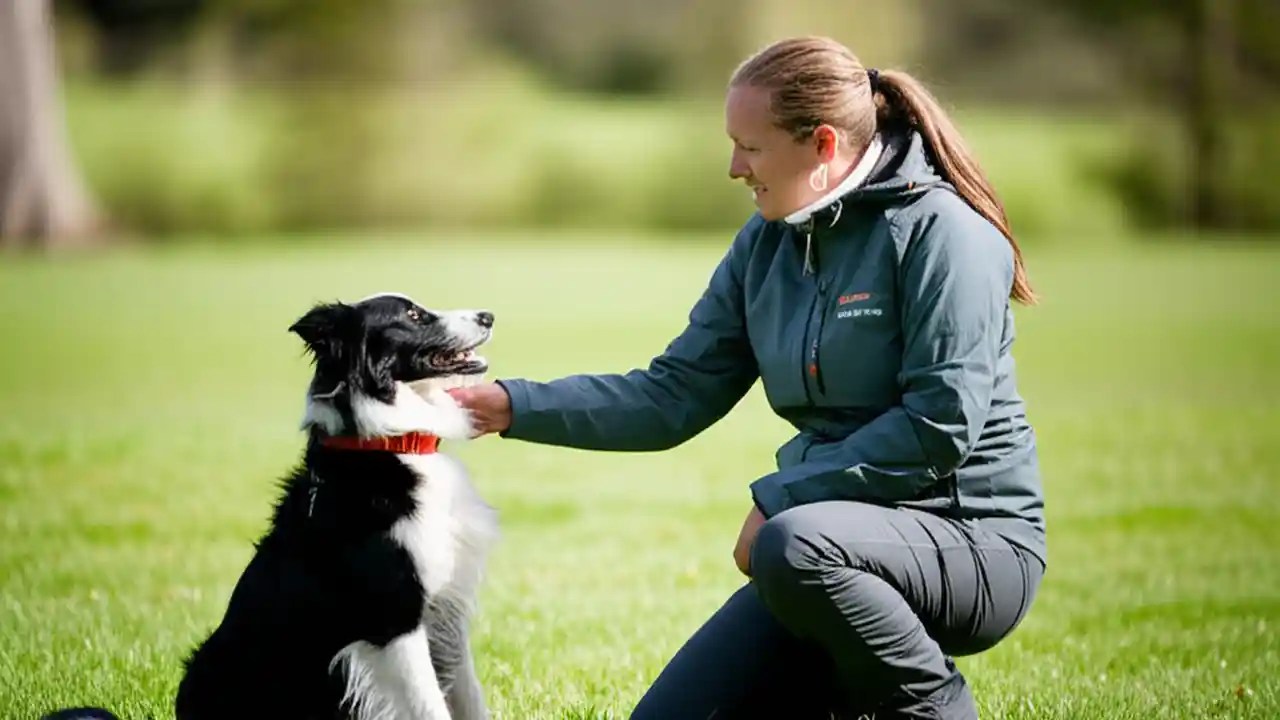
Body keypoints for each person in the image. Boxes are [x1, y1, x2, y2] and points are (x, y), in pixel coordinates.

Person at [450, 35, 1046, 720]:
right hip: (826, 550)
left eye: (751, 147)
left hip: (971, 544)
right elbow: (669, 397)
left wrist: (783, 497)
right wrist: (506, 405)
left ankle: (929, 705)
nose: (735, 167)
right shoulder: (765, 242)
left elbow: (939, 424)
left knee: (791, 545)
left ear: (822, 145)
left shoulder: (945, 234)